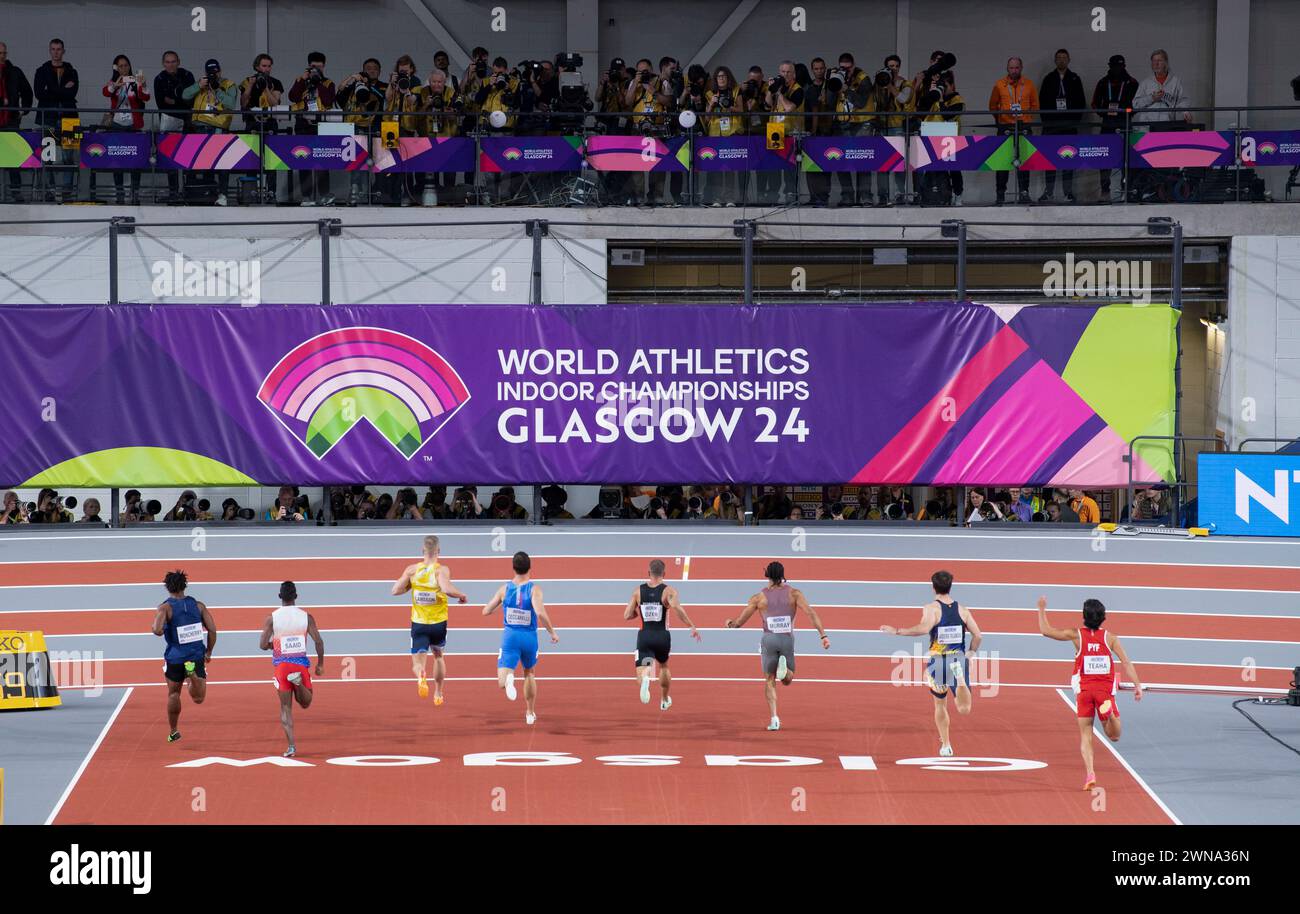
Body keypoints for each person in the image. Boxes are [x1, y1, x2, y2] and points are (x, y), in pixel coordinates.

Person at [1035, 596, 1143, 790]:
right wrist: (1137, 685)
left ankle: (1090, 774)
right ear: (1103, 617)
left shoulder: (1076, 635)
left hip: (1084, 691)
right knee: (1114, 735)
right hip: (1104, 691)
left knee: (1086, 735)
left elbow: (1046, 631)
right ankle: (1109, 715)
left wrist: (1041, 608)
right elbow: (1126, 663)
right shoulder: (1110, 638)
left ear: (1084, 616)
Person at [881, 570, 982, 757]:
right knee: (964, 709)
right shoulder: (963, 610)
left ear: (933, 587)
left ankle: (946, 745)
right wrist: (970, 654)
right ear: (950, 586)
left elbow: (923, 628)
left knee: (940, 705)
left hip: (938, 662)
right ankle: (960, 678)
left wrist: (897, 631)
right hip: (958, 659)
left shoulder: (931, 608)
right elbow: (978, 636)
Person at [724, 561, 830, 731]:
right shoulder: (794, 594)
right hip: (787, 640)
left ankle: (774, 718)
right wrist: (823, 635)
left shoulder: (758, 598)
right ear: (782, 575)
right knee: (787, 680)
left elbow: (739, 623)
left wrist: (730, 623)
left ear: (767, 575)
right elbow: (811, 613)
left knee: (769, 679)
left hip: (769, 640)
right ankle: (785, 671)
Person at [482, 551, 559, 725]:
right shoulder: (534, 589)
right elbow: (540, 613)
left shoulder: (504, 589)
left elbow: (485, 611)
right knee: (529, 673)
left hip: (510, 637)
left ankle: (509, 680)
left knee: (502, 682)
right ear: (530, 568)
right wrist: (552, 632)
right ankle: (530, 713)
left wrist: (502, 605)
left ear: (513, 568)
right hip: (529, 638)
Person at [391, 535, 469, 704]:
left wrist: (411, 586)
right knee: (438, 656)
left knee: (417, 661)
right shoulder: (441, 570)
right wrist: (461, 595)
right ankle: (438, 694)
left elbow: (395, 590)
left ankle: (421, 674)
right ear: (438, 551)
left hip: (419, 624)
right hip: (438, 623)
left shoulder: (412, 570)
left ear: (423, 551)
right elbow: (446, 588)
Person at [259, 581, 325, 758]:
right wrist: (320, 664)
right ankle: (299, 683)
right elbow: (319, 641)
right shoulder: (306, 617)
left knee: (285, 707)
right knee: (305, 702)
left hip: (281, 666)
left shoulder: (272, 618)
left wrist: (274, 645)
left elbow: (262, 645)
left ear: (280, 597)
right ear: (296, 596)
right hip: (300, 664)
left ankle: (291, 746)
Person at [624, 559, 700, 710]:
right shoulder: (668, 592)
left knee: (642, 668)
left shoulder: (638, 592)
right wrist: (691, 626)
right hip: (662, 637)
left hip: (644, 637)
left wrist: (636, 614)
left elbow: (627, 615)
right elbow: (678, 609)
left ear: (649, 573)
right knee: (664, 666)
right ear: (664, 574)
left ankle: (645, 677)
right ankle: (664, 699)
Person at [151, 570, 217, 743]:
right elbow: (212, 630)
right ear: (184, 586)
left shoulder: (165, 608)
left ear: (167, 587)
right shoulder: (198, 606)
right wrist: (209, 652)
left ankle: (173, 731)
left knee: (173, 694)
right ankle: (192, 674)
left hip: (175, 658)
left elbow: (157, 630)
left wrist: (159, 627)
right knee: (198, 698)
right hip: (196, 655)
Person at [1038, 49, 1086, 203]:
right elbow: (1042, 102)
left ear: (1069, 60)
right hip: (1051, 126)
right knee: (1049, 160)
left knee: (1068, 159)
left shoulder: (1074, 78)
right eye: (1058, 57)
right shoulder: (1048, 79)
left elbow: (1081, 102)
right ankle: (1049, 192)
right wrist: (1047, 122)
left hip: (1069, 126)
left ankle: (1068, 192)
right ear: (1055, 60)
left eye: (1064, 58)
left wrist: (1073, 121)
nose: (1061, 60)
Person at [988, 57, 1037, 204]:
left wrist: (1026, 119)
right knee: (1002, 163)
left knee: (1024, 162)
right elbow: (992, 106)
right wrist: (1000, 121)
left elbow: (1035, 106)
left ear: (1021, 68)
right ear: (1007, 68)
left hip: (1024, 127)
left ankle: (1024, 193)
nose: (1014, 71)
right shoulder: (999, 84)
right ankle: (1000, 195)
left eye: (1016, 68)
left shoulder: (1029, 84)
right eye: (1011, 68)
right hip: (1005, 127)